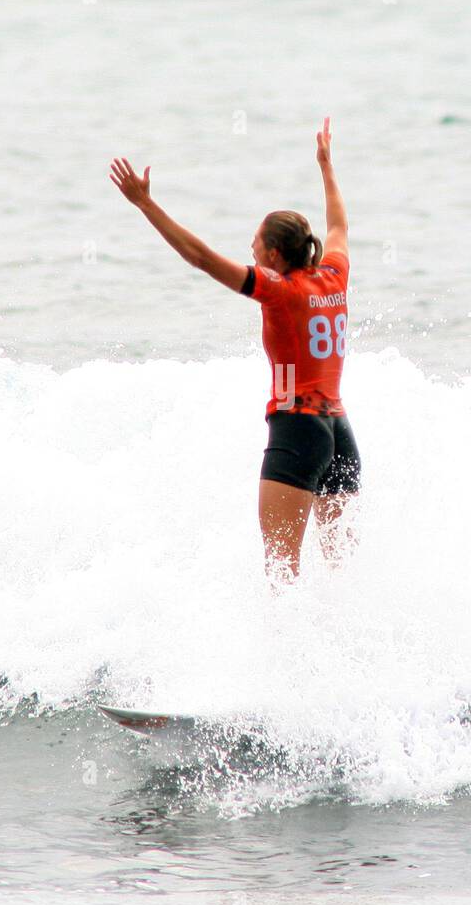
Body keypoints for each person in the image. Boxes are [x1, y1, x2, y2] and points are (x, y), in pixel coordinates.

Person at [109, 117, 360, 578]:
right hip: (340, 436)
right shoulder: (334, 276)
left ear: (274, 257)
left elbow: (201, 258)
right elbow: (339, 223)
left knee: (282, 576)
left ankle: (293, 650)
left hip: (298, 435)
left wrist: (145, 203)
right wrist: (326, 166)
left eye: (255, 244)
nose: (250, 248)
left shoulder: (279, 290)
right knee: (342, 574)